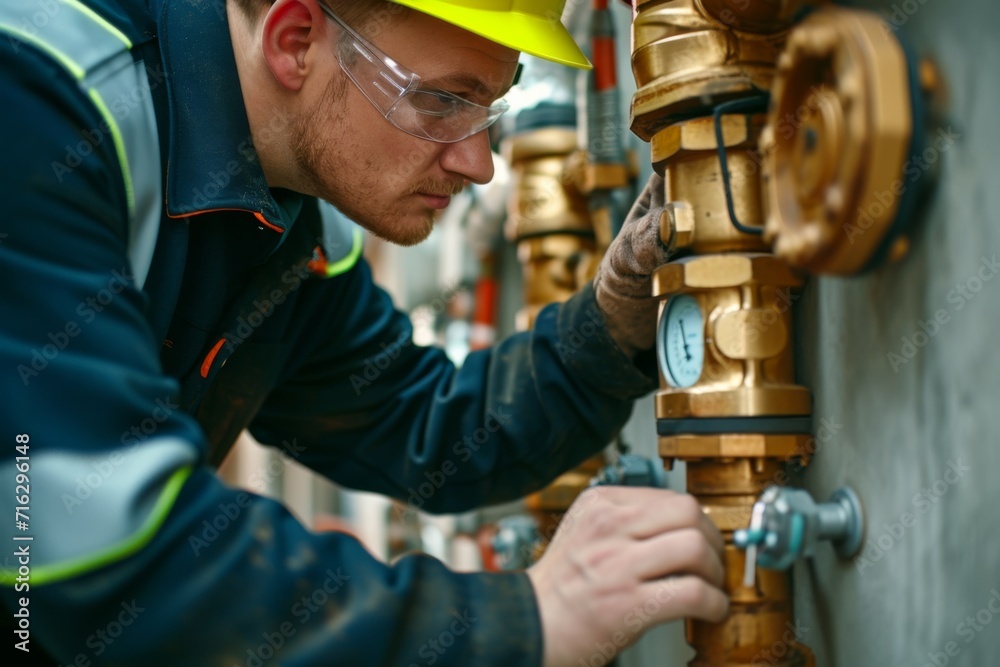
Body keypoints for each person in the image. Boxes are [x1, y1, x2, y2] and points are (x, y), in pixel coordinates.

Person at [0, 0, 728, 664]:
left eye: (489, 108)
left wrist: (610, 322)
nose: (479, 163)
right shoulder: (38, 97)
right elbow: (92, 541)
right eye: (443, 100)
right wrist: (527, 619)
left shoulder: (287, 218)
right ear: (294, 39)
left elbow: (424, 425)